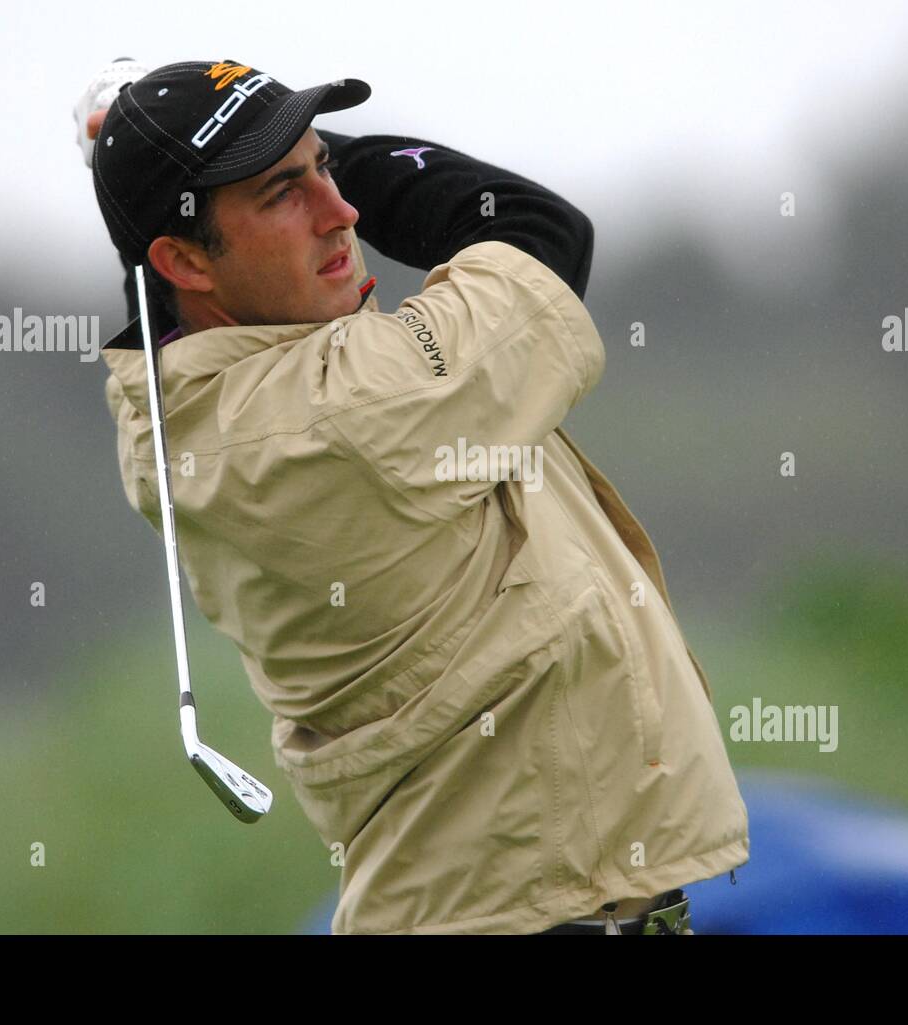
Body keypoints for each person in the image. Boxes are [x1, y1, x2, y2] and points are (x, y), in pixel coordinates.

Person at [80, 57, 749, 935]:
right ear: (182, 261)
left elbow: (185, 269)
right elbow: (539, 231)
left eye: (326, 166)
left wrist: (192, 169)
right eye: (286, 192)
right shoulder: (337, 410)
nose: (342, 211)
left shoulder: (205, 397)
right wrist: (284, 158)